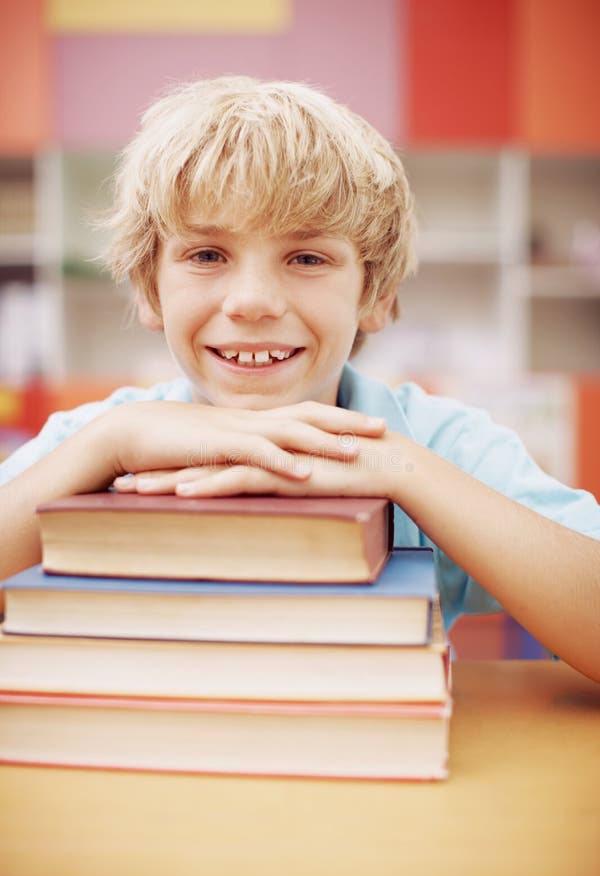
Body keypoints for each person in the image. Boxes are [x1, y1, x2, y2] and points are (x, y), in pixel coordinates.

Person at [1, 76, 599, 679]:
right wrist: (109, 444)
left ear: (378, 294)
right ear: (148, 290)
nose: (253, 302)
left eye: (307, 258)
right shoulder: (92, 439)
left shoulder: (440, 442)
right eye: (207, 255)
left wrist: (403, 469)